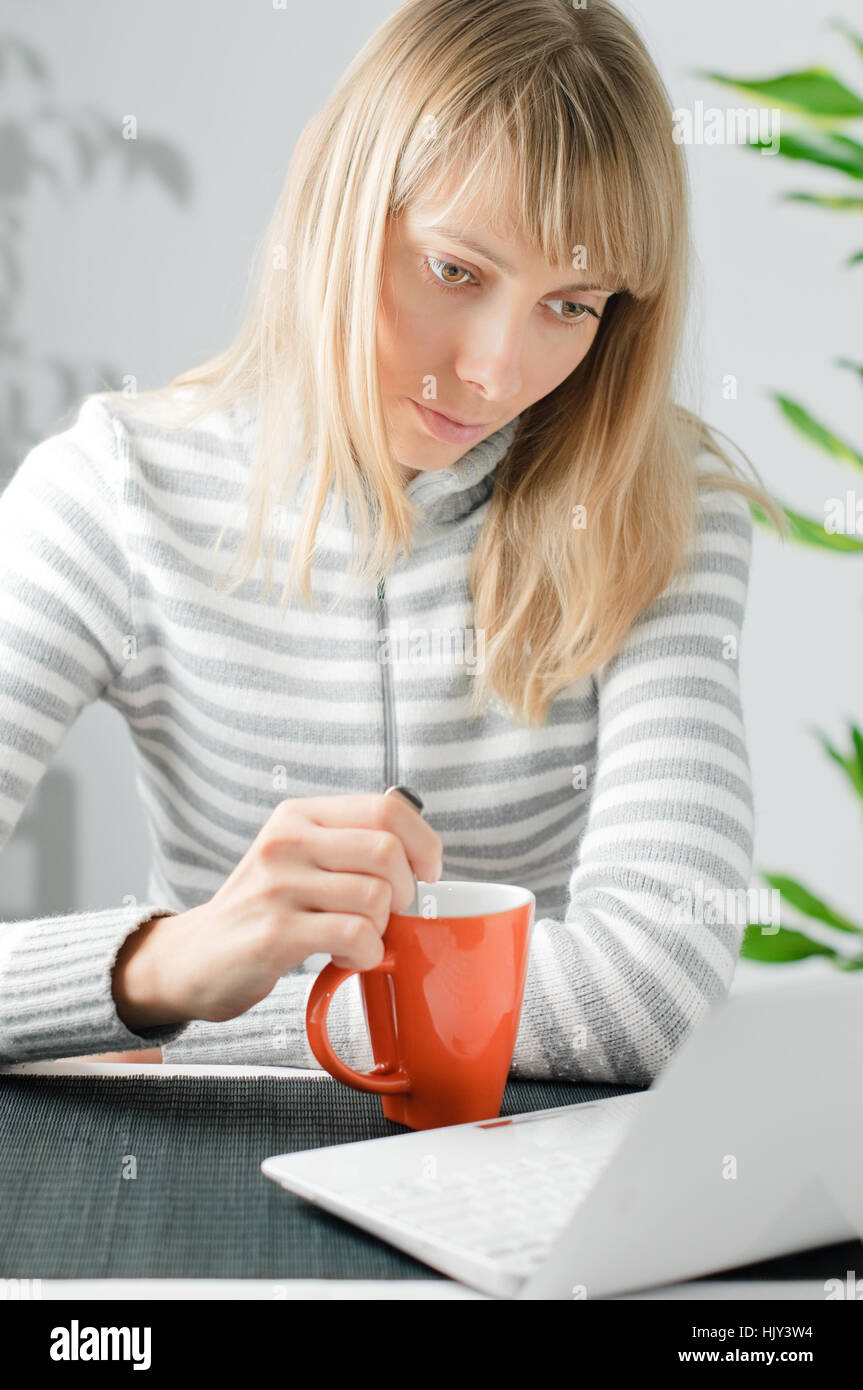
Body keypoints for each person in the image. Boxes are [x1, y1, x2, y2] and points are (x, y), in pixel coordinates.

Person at [0, 0, 788, 1080]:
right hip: (197, 1186)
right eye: (456, 271)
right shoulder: (115, 492)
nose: (495, 371)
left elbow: (645, 993)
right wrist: (165, 966)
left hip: (525, 1185)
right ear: (335, 203)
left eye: (570, 305)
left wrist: (202, 1025)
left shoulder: (663, 504)